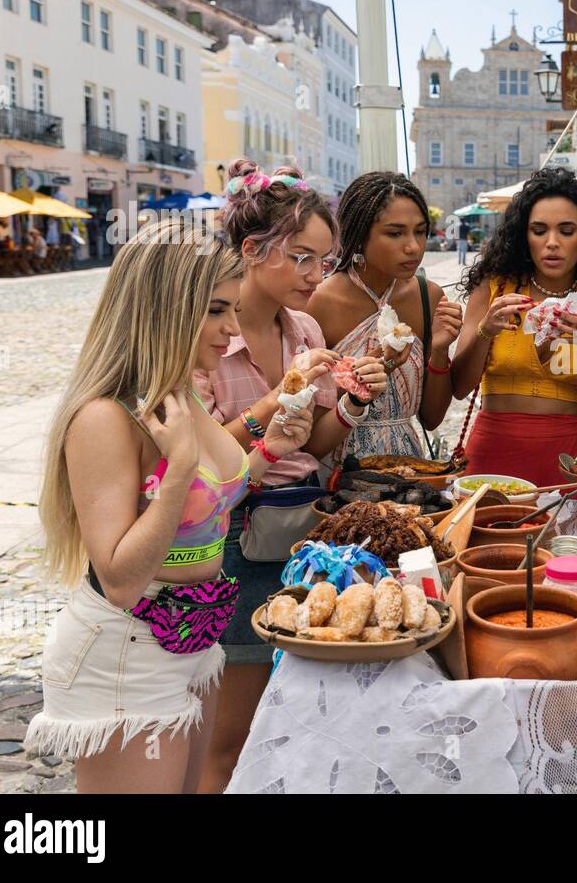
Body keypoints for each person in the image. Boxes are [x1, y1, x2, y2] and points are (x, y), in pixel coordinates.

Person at [29, 217, 316, 793]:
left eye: (232, 309)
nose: (231, 329)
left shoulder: (178, 395)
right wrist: (179, 468)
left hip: (193, 638)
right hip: (128, 650)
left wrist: (266, 453)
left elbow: (211, 506)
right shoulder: (106, 418)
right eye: (215, 310)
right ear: (164, 309)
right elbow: (119, 576)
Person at [194, 159, 390, 792]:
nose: (317, 275)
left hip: (301, 532)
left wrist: (352, 404)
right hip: (232, 539)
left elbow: (311, 446)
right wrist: (273, 401)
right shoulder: (204, 333)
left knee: (291, 719)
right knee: (229, 738)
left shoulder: (301, 326)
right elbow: (197, 467)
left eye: (324, 260)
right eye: (302, 258)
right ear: (253, 250)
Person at [451, 167, 577, 486]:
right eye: (539, 230)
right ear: (524, 235)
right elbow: (460, 387)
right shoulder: (494, 286)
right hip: (491, 450)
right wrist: (484, 332)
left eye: (567, 230)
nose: (552, 243)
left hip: (567, 458)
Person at [308, 172, 463, 461]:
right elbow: (309, 427)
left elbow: (431, 418)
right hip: (339, 470)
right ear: (359, 235)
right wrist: (383, 365)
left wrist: (440, 350)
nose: (414, 247)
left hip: (409, 467)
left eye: (420, 231)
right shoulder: (318, 302)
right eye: (395, 233)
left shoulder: (428, 296)